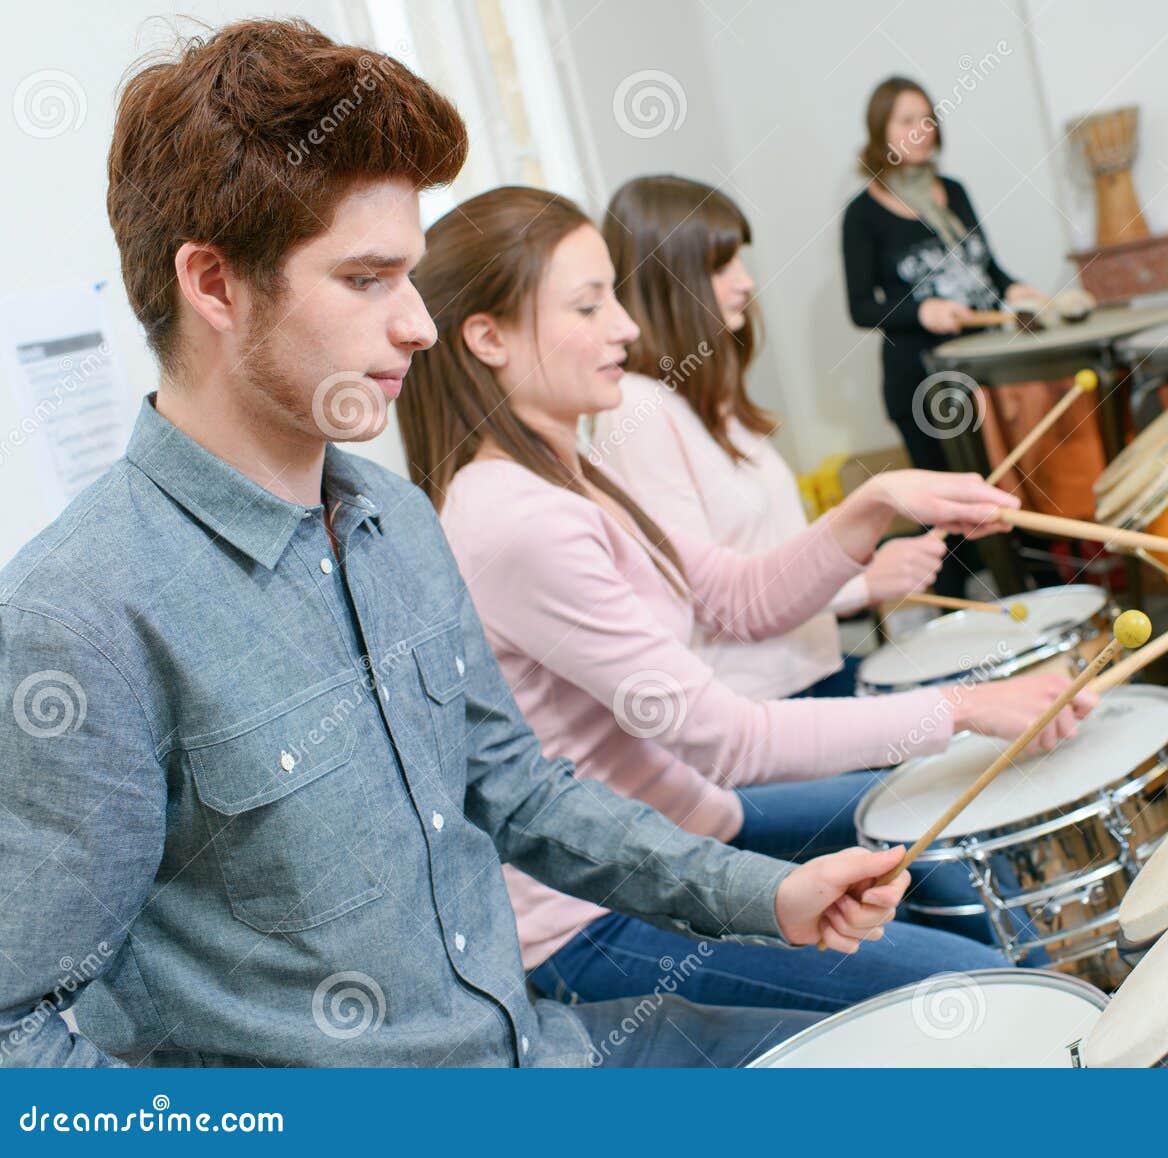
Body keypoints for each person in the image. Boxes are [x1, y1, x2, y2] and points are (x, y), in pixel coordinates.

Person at [0, 19, 908, 1070]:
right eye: (366, 280)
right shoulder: (78, 619)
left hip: (539, 1055)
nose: (420, 327)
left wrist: (761, 894)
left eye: (412, 277)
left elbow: (518, 790)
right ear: (214, 284)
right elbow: (16, 1033)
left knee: (937, 1072)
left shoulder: (396, 520)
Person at [397, 185, 1097, 1011]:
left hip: (689, 828)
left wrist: (876, 503)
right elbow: (727, 739)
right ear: (488, 338)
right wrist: (966, 706)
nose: (625, 328)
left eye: (615, 298)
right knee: (970, 987)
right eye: (588, 307)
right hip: (596, 914)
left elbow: (735, 597)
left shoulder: (568, 474)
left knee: (939, 826)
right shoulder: (516, 518)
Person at [594, 173, 944, 701]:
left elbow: (771, 551)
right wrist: (861, 582)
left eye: (740, 260)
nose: (745, 282)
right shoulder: (635, 410)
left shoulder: (709, 397)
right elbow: (705, 597)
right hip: (754, 700)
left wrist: (862, 563)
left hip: (811, 669)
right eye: (721, 266)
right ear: (668, 282)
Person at [842, 76, 1045, 597]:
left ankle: (1039, 594)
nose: (922, 130)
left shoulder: (952, 191)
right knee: (946, 509)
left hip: (984, 369)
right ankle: (953, 612)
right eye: (907, 120)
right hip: (922, 381)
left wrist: (1015, 289)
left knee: (1009, 487)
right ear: (881, 131)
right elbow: (861, 306)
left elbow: (985, 270)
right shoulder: (863, 214)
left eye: (927, 118)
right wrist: (921, 311)